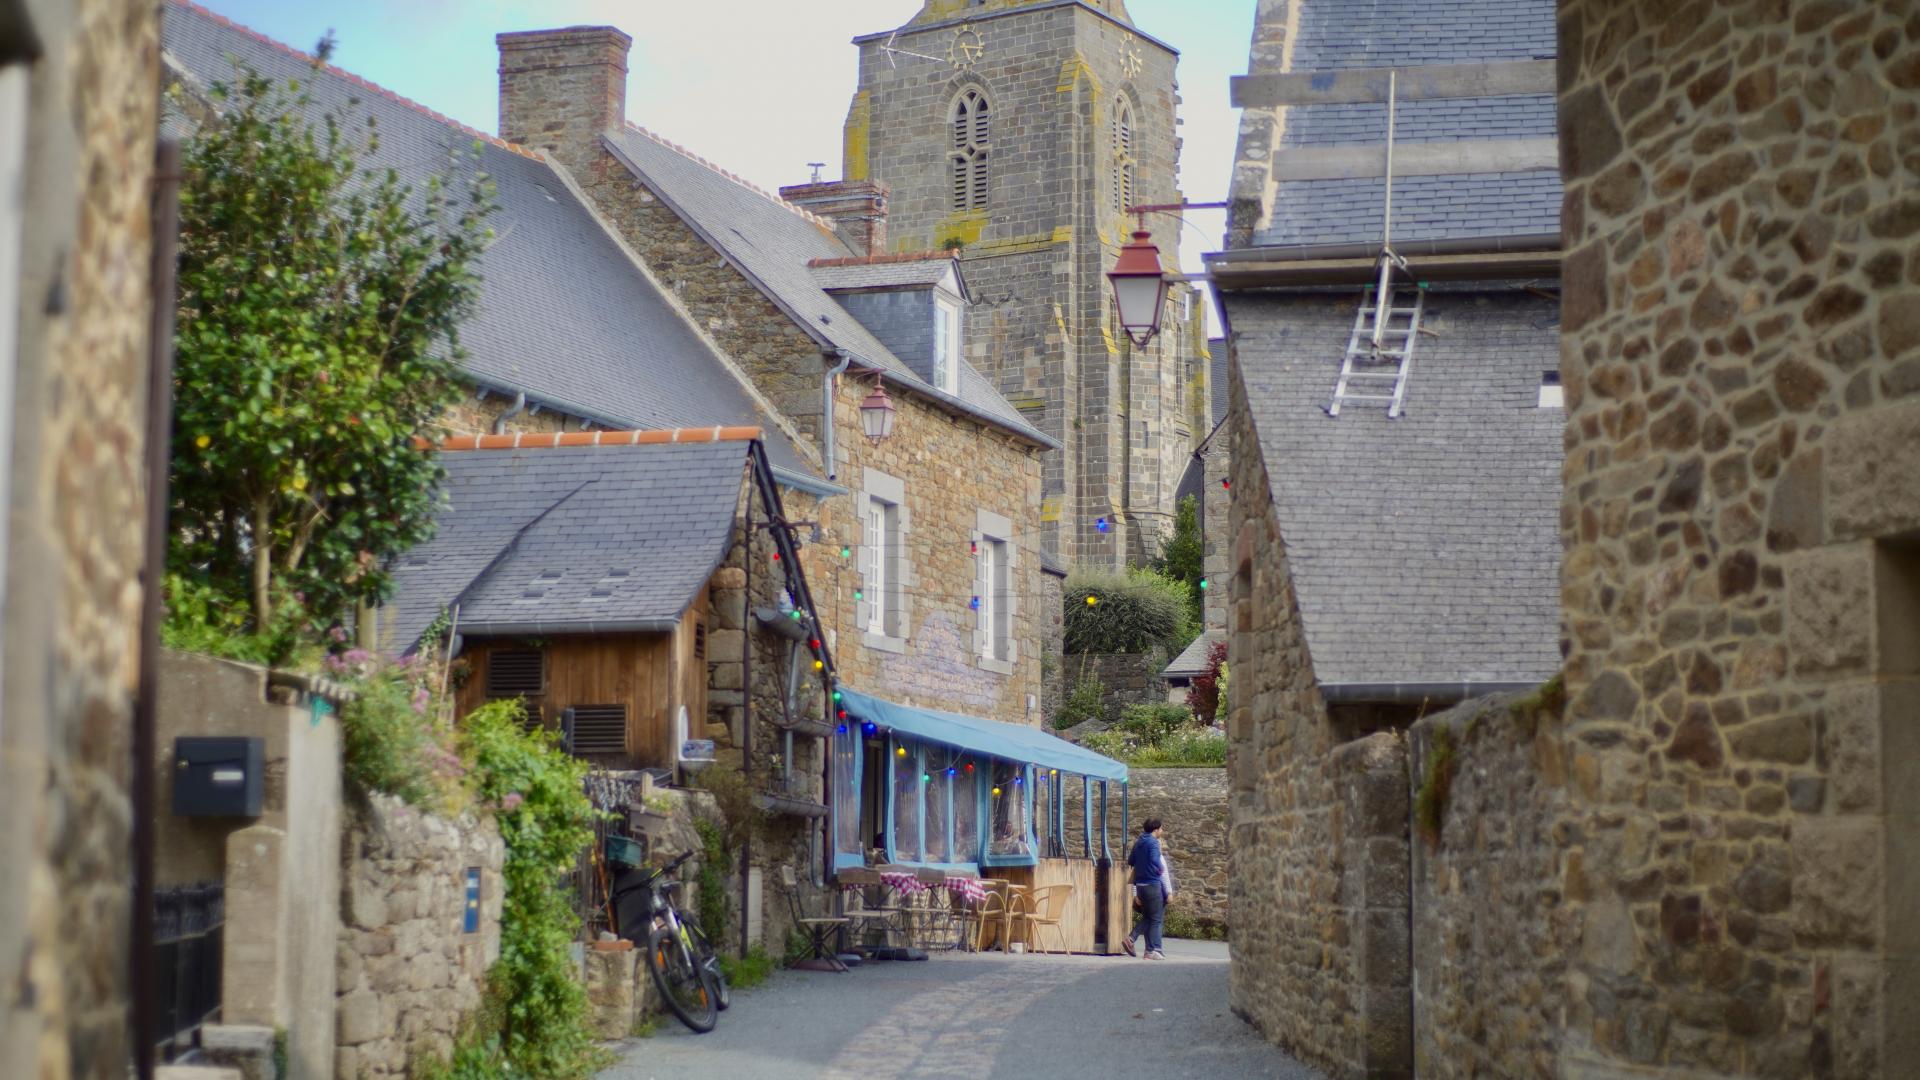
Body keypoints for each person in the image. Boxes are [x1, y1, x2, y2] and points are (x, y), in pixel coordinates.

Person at [1122, 819, 1172, 959]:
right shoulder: (1153, 843)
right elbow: (1156, 860)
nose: (1161, 831)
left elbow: (1131, 861)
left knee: (1149, 917)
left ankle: (1137, 943)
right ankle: (1152, 950)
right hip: (1152, 884)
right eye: (1161, 829)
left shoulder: (1138, 843)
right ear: (1156, 830)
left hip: (1140, 886)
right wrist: (1160, 870)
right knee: (1156, 919)